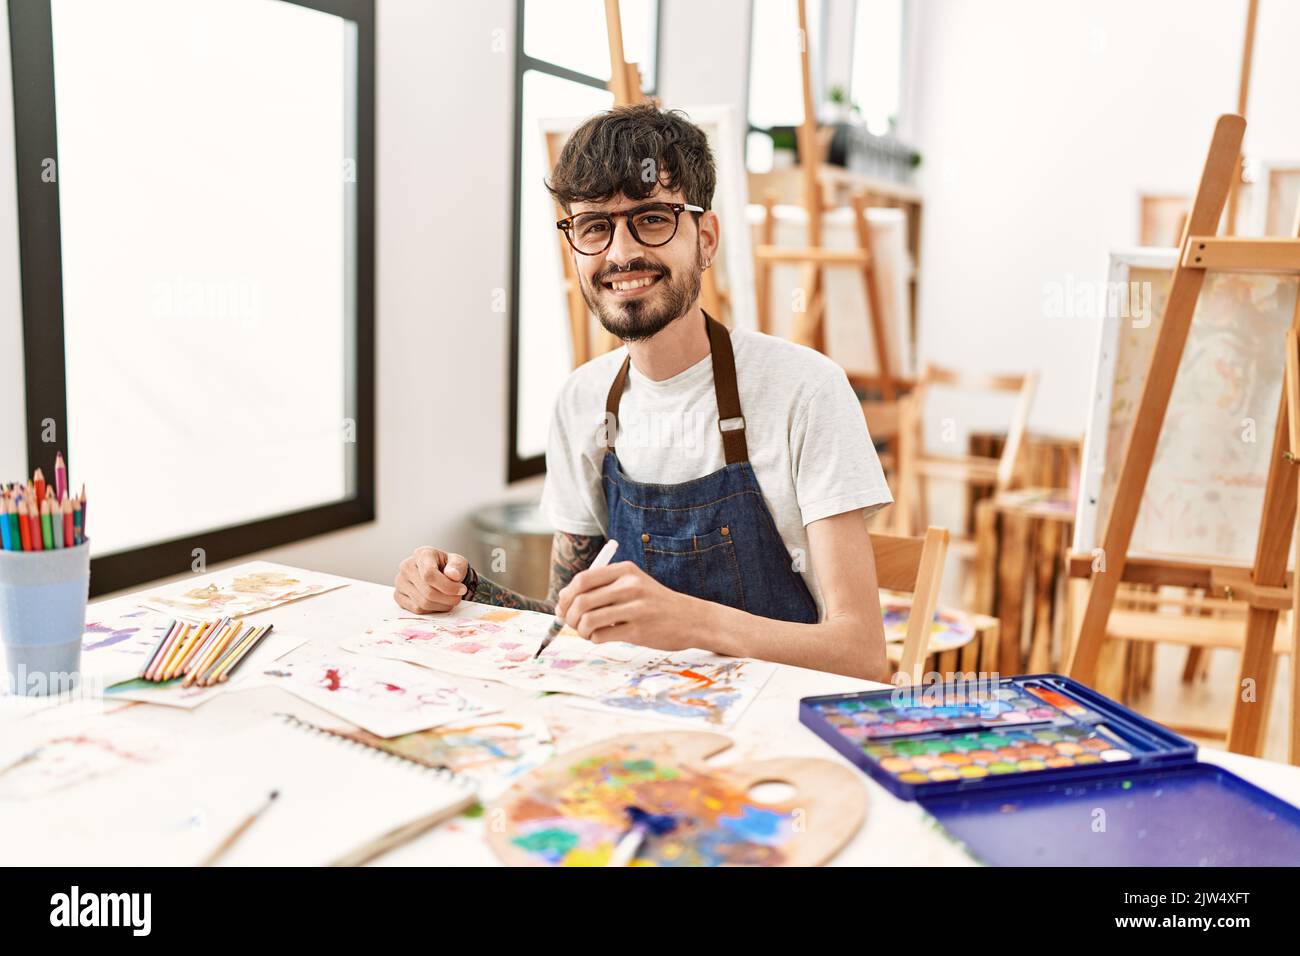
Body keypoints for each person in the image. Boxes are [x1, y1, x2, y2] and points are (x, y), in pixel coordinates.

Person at [395, 104, 892, 680]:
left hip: (771, 719)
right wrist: (464, 592)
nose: (620, 253)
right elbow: (566, 622)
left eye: (652, 219)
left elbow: (861, 654)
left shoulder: (804, 390)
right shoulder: (582, 400)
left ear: (706, 239)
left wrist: (693, 622)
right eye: (594, 226)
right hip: (631, 710)